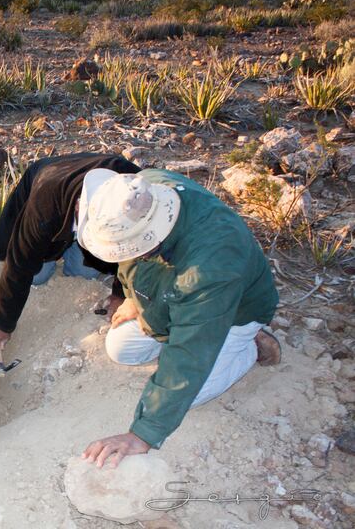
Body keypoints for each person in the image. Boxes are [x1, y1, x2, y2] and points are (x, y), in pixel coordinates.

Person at [77, 170, 281, 468]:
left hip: (234, 311)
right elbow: (129, 257)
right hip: (170, 296)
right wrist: (134, 298)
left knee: (191, 393)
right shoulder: (141, 191)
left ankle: (248, 346)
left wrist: (142, 434)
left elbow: (189, 353)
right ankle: (179, 335)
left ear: (151, 237)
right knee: (121, 348)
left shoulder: (211, 266)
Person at [0, 153, 141, 354]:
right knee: (37, 275)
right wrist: (2, 325)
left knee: (84, 272)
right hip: (49, 191)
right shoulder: (45, 199)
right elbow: (19, 262)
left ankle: (74, 245)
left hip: (83, 211)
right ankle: (63, 243)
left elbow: (135, 246)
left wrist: (120, 293)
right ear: (79, 207)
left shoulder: (134, 191)